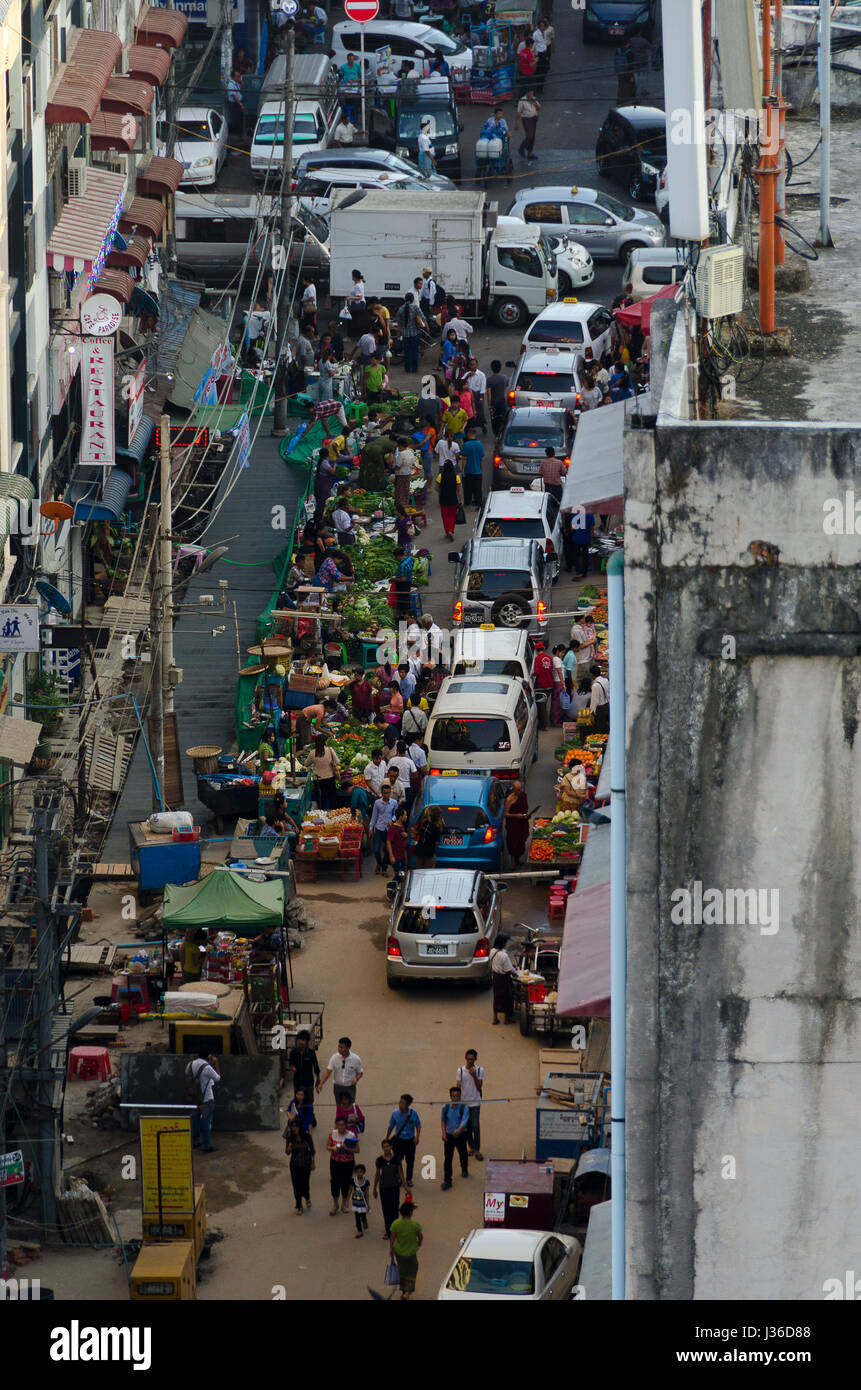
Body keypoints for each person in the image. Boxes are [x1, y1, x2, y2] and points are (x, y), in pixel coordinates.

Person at [186, 1049, 219, 1152]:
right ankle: (207, 1146)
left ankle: (195, 1142)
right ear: (208, 1056)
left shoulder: (190, 1064)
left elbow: (187, 1074)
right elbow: (217, 1078)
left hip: (194, 1099)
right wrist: (216, 1063)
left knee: (194, 1121)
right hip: (207, 1099)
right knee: (206, 1122)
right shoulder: (207, 1067)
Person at [374, 1139, 408, 1239]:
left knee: (394, 1208)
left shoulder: (396, 1158)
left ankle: (395, 1229)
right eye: (384, 1147)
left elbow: (400, 1172)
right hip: (384, 1187)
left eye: (388, 1146)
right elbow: (377, 1174)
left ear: (391, 1147)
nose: (386, 1148)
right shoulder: (379, 1160)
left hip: (394, 1187)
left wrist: (405, 1186)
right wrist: (375, 1188)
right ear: (382, 1148)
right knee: (386, 1210)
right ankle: (388, 1231)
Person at [386, 1093, 422, 1184]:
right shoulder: (395, 1113)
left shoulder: (413, 1114)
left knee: (410, 1161)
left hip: (410, 1141)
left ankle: (409, 1179)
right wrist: (387, 1138)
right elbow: (391, 1126)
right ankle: (400, 1177)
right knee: (397, 1161)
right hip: (398, 1141)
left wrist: (417, 1137)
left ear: (408, 1105)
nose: (400, 1105)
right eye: (400, 1102)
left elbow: (418, 1125)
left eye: (402, 1103)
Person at [389, 1201, 423, 1299]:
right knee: (412, 1270)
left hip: (399, 1253)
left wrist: (391, 1249)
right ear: (411, 1213)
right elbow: (420, 1236)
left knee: (403, 1271)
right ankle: (407, 1292)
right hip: (411, 1253)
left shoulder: (396, 1223)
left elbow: (392, 1237)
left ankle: (404, 1290)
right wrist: (419, 1242)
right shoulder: (415, 1224)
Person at [456, 1050, 485, 1161]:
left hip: (475, 1103)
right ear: (465, 1058)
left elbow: (479, 1087)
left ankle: (477, 1149)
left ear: (475, 1060)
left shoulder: (479, 1070)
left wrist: (474, 1076)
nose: (470, 1061)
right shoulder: (460, 1071)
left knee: (476, 1127)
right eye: (468, 1059)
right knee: (467, 1128)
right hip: (464, 1104)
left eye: (472, 1059)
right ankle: (472, 1147)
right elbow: (458, 1086)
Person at [327, 1115, 359, 1215]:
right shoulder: (332, 1133)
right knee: (335, 1182)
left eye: (343, 1125)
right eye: (339, 1125)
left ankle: (344, 1204)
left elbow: (357, 1150)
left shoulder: (351, 1135)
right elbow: (328, 1146)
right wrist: (333, 1149)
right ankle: (335, 1204)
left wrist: (347, 1148)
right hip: (335, 1162)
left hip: (348, 1163)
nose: (341, 1127)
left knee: (346, 1182)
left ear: (346, 1125)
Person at [440, 1085, 470, 1189]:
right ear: (450, 1097)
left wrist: (459, 1130)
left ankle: (464, 1168)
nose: (455, 1098)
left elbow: (465, 1121)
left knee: (463, 1154)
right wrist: (443, 1133)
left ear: (460, 1097)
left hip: (461, 1135)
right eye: (453, 1096)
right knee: (448, 1158)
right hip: (449, 1136)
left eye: (457, 1096)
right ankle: (447, 1180)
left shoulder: (464, 1107)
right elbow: (443, 1120)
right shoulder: (445, 1107)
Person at [317, 1036, 364, 1104]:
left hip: (350, 1088)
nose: (339, 1049)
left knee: (350, 1109)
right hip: (338, 1088)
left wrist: (356, 1078)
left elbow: (360, 1072)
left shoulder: (356, 1059)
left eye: (342, 1047)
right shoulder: (334, 1058)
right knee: (339, 1108)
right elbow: (327, 1072)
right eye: (339, 1046)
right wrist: (321, 1084)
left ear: (348, 1048)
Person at [284, 1118, 315, 1214]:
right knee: (296, 1185)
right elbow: (287, 1152)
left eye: (296, 1126)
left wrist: (313, 1162)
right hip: (295, 1164)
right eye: (292, 1127)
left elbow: (312, 1150)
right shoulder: (290, 1138)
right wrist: (289, 1148)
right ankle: (299, 1205)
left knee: (305, 1184)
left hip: (305, 1164)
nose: (294, 1129)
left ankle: (307, 1197)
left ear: (300, 1127)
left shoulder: (307, 1137)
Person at [369, 781, 398, 873]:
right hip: (379, 828)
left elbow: (396, 814)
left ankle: (384, 868)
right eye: (385, 793)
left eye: (389, 793)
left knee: (387, 850)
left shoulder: (394, 802)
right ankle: (379, 863)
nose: (387, 795)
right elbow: (374, 816)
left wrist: (392, 820)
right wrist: (370, 828)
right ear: (382, 793)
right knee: (376, 850)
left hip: (388, 830)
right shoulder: (377, 803)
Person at [490, 933, 518, 1024]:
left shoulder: (492, 951)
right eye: (505, 942)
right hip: (503, 979)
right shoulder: (503, 955)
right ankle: (507, 1019)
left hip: (495, 977)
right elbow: (509, 970)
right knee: (507, 997)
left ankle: (495, 1018)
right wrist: (516, 974)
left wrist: (510, 966)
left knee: (497, 997)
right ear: (502, 943)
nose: (506, 944)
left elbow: (498, 964)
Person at [395, 292, 426, 375]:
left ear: (405, 299)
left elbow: (398, 322)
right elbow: (423, 318)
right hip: (415, 333)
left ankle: (407, 368)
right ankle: (414, 368)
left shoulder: (401, 309)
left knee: (407, 352)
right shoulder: (415, 308)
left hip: (405, 334)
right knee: (414, 351)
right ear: (413, 300)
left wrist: (399, 332)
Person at [288, 1029, 321, 1105]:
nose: (301, 1042)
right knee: (298, 1103)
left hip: (308, 1083)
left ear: (307, 1042)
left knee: (309, 1103)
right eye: (300, 1039)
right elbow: (291, 1064)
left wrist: (318, 1080)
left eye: (303, 1040)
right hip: (297, 1082)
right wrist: (292, 1068)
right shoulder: (293, 1053)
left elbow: (316, 1066)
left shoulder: (311, 1053)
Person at [436, 453, 463, 541]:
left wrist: (442, 492)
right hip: (453, 499)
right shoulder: (456, 477)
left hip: (443, 499)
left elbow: (436, 488)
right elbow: (459, 490)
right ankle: (451, 530)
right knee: (452, 516)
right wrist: (461, 500)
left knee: (445, 516)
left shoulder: (441, 476)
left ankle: (447, 531)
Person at [504, 780, 531, 867]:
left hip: (522, 823)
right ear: (514, 790)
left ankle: (518, 859)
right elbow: (506, 814)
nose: (520, 791)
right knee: (513, 842)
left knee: (521, 841)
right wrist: (517, 815)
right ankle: (513, 862)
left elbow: (525, 808)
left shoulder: (523, 795)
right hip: (513, 825)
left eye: (521, 789)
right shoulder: (509, 799)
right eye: (518, 790)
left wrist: (526, 815)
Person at [460, 424, 485, 508]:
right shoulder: (480, 445)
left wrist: (463, 470)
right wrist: (481, 470)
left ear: (468, 434)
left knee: (467, 488)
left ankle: (468, 501)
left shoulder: (466, 445)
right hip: (477, 471)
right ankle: (478, 501)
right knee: (477, 488)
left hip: (468, 470)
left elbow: (464, 459)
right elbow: (481, 459)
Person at [515, 88, 540, 162]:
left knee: (532, 137)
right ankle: (521, 148)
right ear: (527, 93)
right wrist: (516, 123)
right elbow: (519, 112)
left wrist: (535, 102)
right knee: (529, 136)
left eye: (532, 93)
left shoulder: (534, 99)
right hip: (526, 119)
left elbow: (539, 108)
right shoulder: (522, 101)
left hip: (534, 119)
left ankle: (529, 154)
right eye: (531, 93)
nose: (532, 95)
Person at [486, 360, 510, 436]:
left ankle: (496, 435)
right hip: (502, 402)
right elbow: (506, 388)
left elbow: (489, 394)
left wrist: (489, 406)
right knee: (503, 419)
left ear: (491, 368)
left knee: (494, 420)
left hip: (494, 403)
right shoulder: (504, 378)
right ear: (500, 368)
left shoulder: (489, 380)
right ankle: (502, 434)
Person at [465, 357, 488, 434]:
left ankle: (482, 426)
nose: (473, 366)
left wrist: (481, 398)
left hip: (477, 395)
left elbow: (483, 387)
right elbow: (461, 381)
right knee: (470, 412)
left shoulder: (481, 375)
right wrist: (468, 375)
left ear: (477, 365)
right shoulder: (467, 374)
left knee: (479, 412)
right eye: (471, 365)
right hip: (468, 395)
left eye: (474, 364)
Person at [392, 439, 416, 511]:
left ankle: (400, 508)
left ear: (401, 446)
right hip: (408, 474)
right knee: (406, 490)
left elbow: (398, 466)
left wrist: (392, 469)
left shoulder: (401, 454)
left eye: (398, 446)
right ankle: (406, 505)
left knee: (400, 491)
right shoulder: (410, 452)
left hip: (401, 475)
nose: (398, 447)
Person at [387, 803, 408, 878]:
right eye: (405, 815)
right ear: (400, 817)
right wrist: (391, 856)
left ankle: (396, 888)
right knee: (399, 876)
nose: (406, 817)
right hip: (396, 857)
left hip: (402, 856)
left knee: (401, 875)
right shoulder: (392, 828)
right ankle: (391, 887)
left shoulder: (401, 826)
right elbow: (388, 842)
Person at [351, 1164, 371, 1238]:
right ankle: (359, 1230)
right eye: (358, 1172)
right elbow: (350, 1190)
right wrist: (347, 1200)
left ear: (364, 1172)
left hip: (363, 1203)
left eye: (361, 1172)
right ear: (355, 1172)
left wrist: (368, 1204)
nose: (359, 1173)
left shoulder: (366, 1182)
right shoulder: (353, 1181)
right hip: (355, 1202)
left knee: (362, 1214)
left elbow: (367, 1193)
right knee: (357, 1216)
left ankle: (364, 1220)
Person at [590, 664, 610, 734]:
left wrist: (592, 713)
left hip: (600, 709)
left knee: (600, 728)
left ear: (592, 674)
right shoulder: (606, 680)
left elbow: (594, 701)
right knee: (606, 726)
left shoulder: (595, 685)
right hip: (607, 706)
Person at [227, 69, 244, 137]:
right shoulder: (231, 85)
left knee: (239, 118)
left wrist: (242, 82)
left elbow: (241, 90)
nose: (238, 78)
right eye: (237, 76)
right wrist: (240, 104)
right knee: (235, 118)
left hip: (239, 102)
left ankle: (239, 133)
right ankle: (233, 133)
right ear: (234, 77)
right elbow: (234, 96)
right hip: (234, 104)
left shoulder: (237, 83)